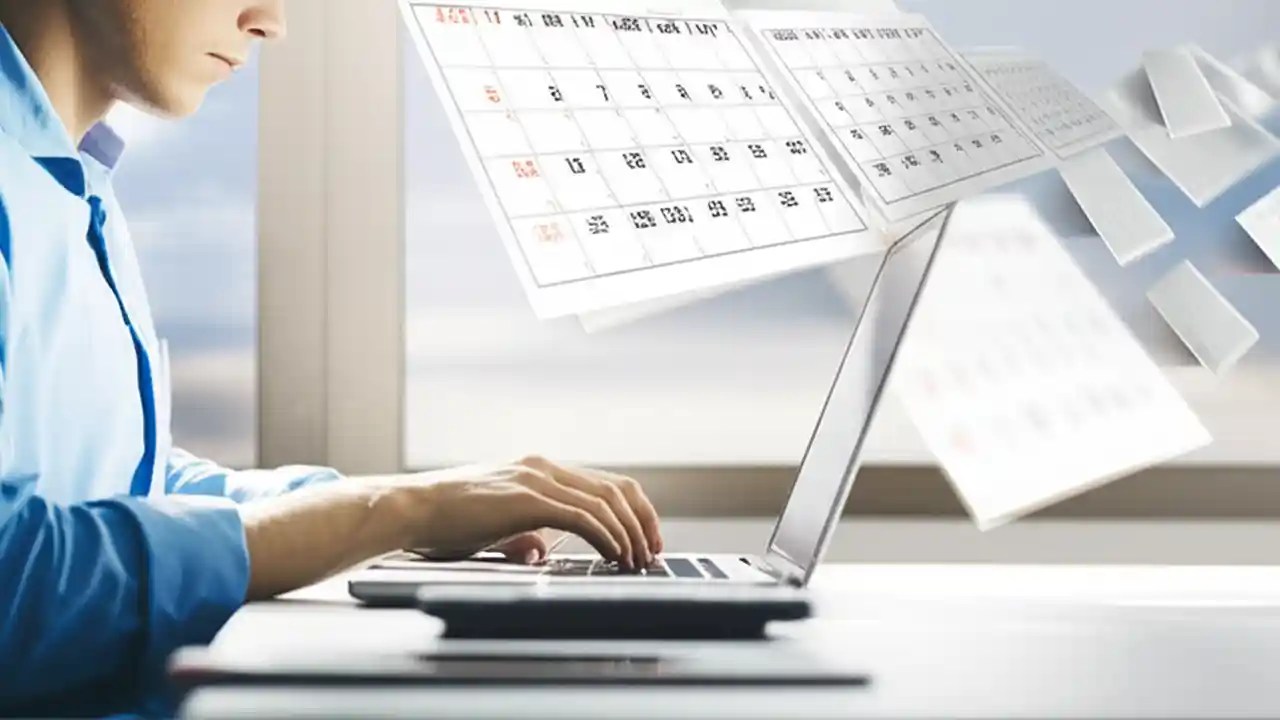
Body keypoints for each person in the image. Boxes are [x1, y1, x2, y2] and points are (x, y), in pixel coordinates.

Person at [0, 0, 663, 714]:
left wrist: (414, 507)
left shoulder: (69, 179)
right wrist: (391, 511)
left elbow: (125, 487)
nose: (269, 20)